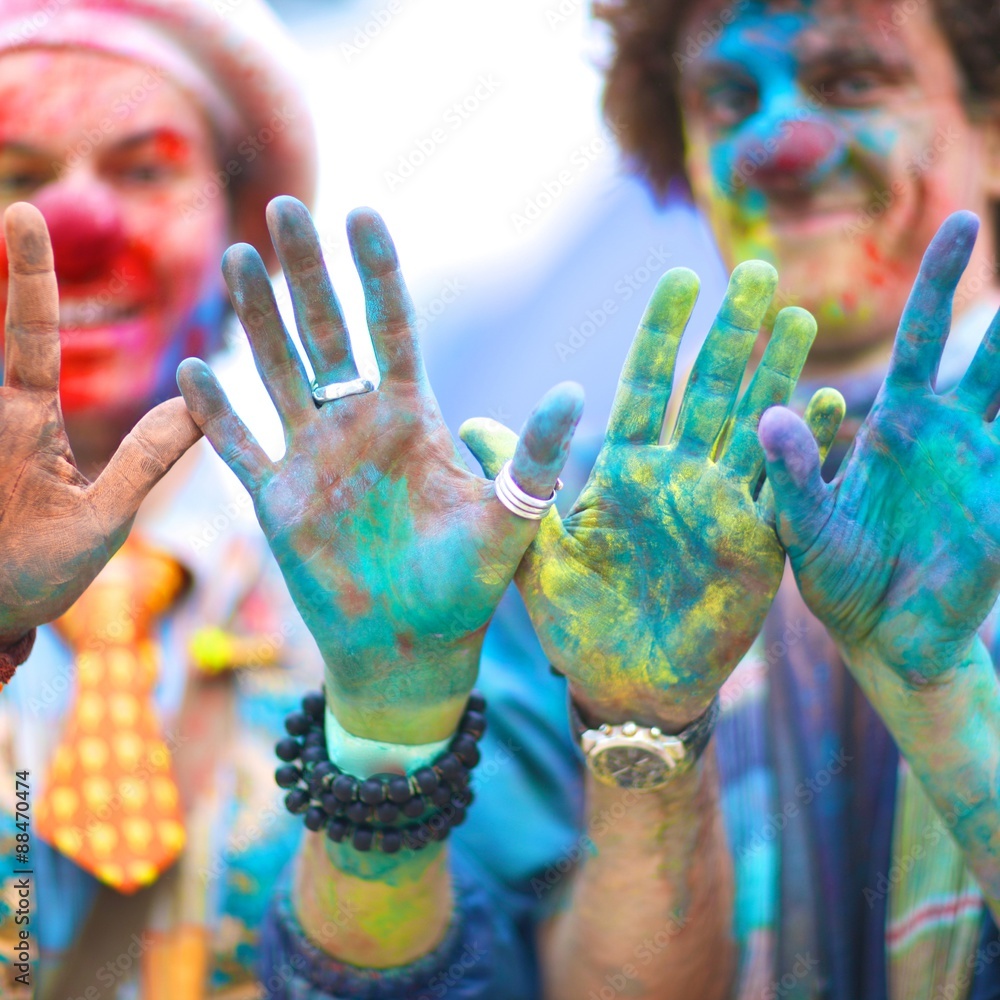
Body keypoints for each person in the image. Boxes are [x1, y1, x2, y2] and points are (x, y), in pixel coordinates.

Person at [0, 0, 321, 995]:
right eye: (14, 178)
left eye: (144, 171)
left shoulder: (374, 583)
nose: (79, 226)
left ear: (238, 229)